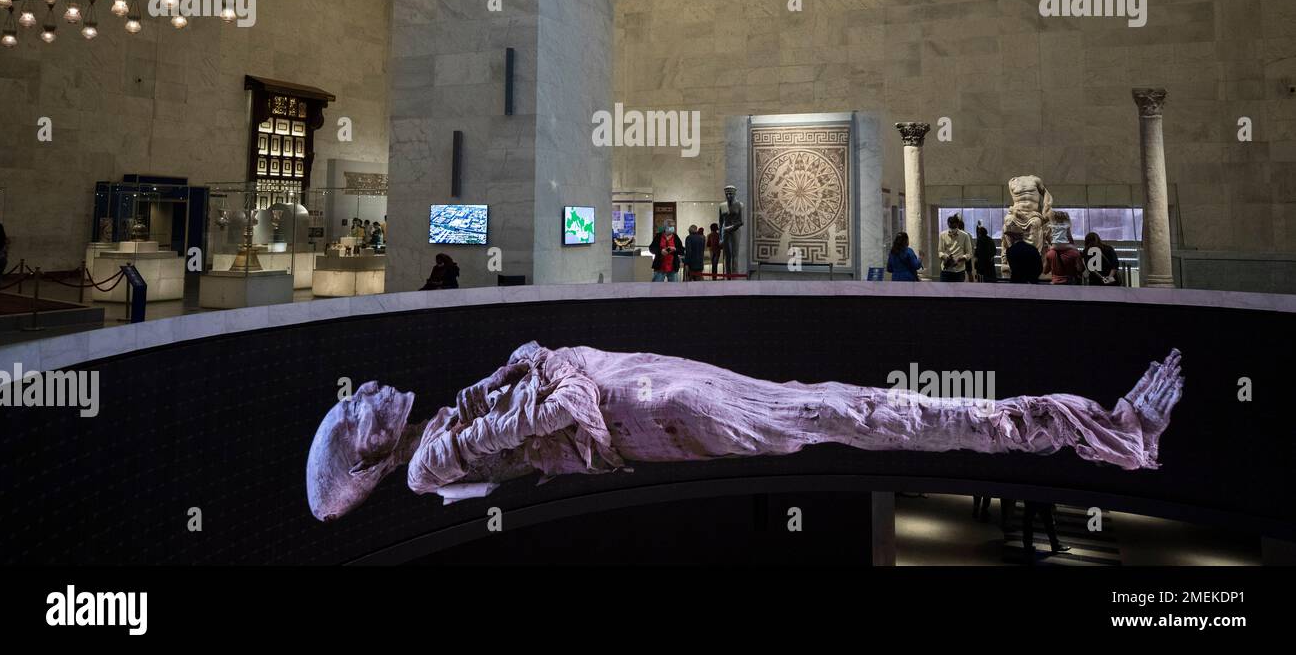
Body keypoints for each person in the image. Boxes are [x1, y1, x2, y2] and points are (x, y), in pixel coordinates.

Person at [307, 343, 1185, 520]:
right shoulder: (429, 460)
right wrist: (552, 368)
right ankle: (1101, 430)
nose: (364, 394)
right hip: (643, 406)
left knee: (850, 408)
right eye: (352, 415)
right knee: (854, 412)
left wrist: (546, 364)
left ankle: (1094, 428)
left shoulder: (435, 432)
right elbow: (562, 412)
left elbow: (541, 406)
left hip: (636, 391)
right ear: (367, 454)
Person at [937, 214, 973, 282]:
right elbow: (940, 251)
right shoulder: (942, 235)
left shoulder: (965, 236)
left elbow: (969, 253)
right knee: (944, 291)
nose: (952, 229)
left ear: (957, 225)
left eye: (954, 227)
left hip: (959, 271)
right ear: (948, 224)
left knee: (958, 292)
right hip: (946, 270)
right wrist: (946, 257)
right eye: (950, 227)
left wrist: (960, 259)